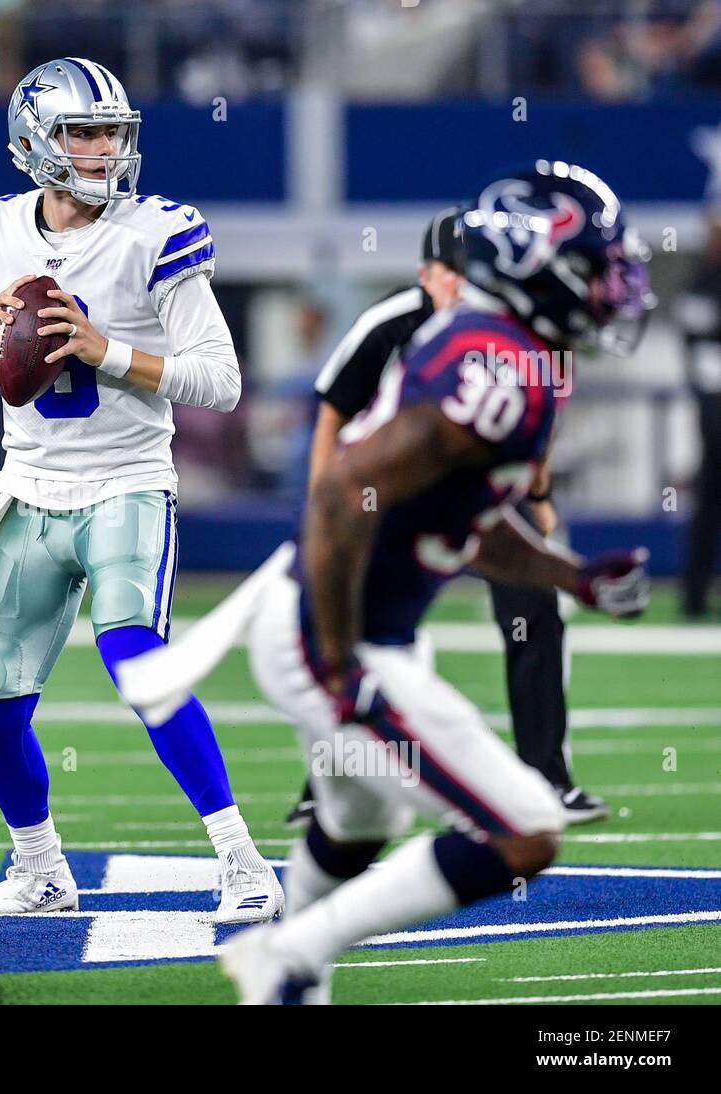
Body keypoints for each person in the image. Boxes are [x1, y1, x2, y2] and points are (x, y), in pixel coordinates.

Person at [116, 161, 654, 1003]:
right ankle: (288, 954)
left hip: (344, 620)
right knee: (527, 828)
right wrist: (340, 663)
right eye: (595, 267)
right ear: (535, 265)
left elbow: (463, 523)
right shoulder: (499, 366)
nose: (612, 288)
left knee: (359, 823)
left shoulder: (510, 350)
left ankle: (289, 977)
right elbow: (339, 492)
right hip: (334, 631)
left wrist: (571, 578)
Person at [0, 58, 281, 922]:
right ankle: (40, 868)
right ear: (33, 141)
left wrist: (101, 348)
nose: (106, 149)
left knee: (139, 661)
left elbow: (221, 382)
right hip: (28, 489)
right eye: (85, 132)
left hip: (127, 482)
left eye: (114, 132)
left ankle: (244, 863)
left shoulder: (158, 231)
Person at [286, 206, 608, 827]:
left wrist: (538, 503)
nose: (458, 286)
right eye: (447, 272)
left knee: (534, 611)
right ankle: (326, 779)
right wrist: (320, 502)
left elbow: (532, 429)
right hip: (380, 503)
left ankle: (548, 773)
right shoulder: (395, 321)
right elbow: (334, 407)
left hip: (482, 501)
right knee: (368, 632)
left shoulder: (509, 335)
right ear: (425, 273)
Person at [676, 216, 721, 618]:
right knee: (708, 502)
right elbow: (699, 353)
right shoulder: (701, 285)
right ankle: (694, 594)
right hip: (716, 412)